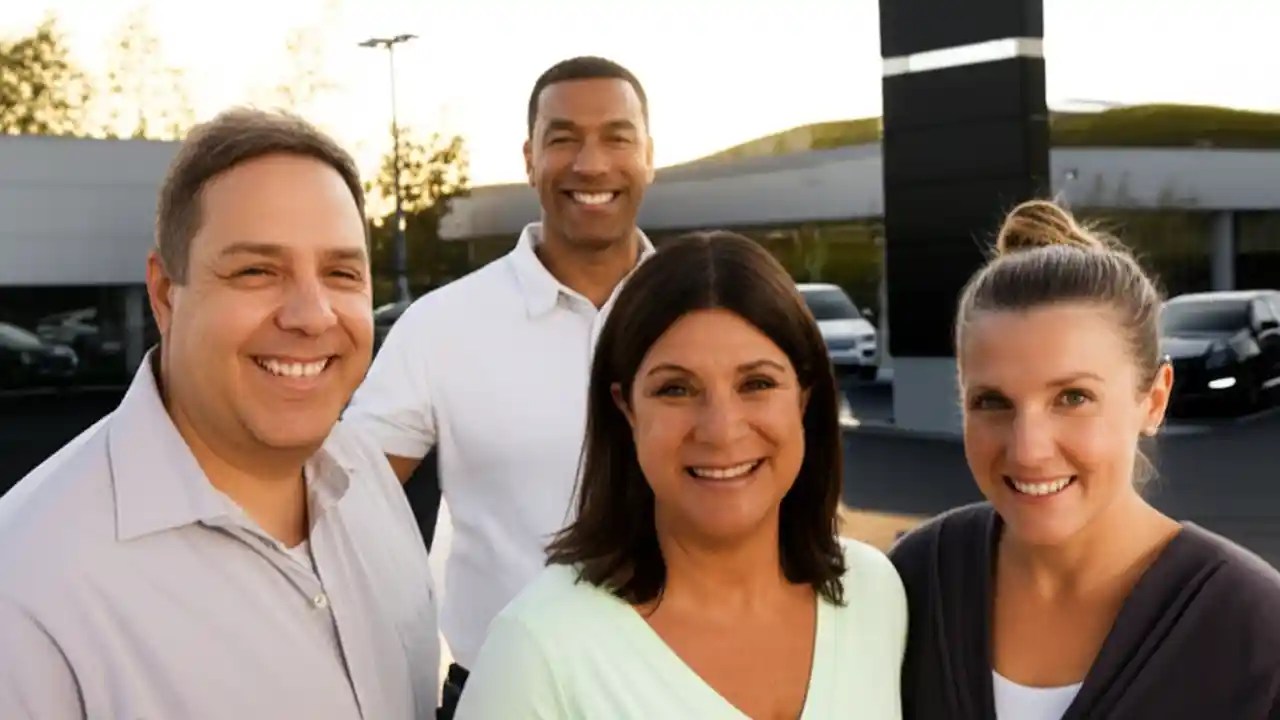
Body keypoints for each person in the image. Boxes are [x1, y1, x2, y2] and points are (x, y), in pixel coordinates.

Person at [0, 109, 439, 719]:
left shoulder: (368, 479)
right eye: (257, 270)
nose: (312, 315)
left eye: (341, 272)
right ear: (164, 295)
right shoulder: (27, 585)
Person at [454, 231, 908, 719]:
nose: (721, 429)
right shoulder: (538, 649)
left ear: (804, 397)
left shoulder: (874, 593)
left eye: (756, 383)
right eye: (676, 389)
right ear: (625, 408)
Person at [341, 56, 656, 715]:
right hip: (506, 698)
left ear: (649, 156)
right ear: (529, 156)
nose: (591, 164)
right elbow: (338, 498)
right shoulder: (442, 325)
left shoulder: (707, 315)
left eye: (617, 137)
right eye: (563, 137)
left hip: (687, 693)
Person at [890, 199, 1280, 719]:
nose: (1028, 449)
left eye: (1073, 398)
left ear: (1155, 399)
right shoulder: (915, 584)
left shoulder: (1254, 629)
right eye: (992, 402)